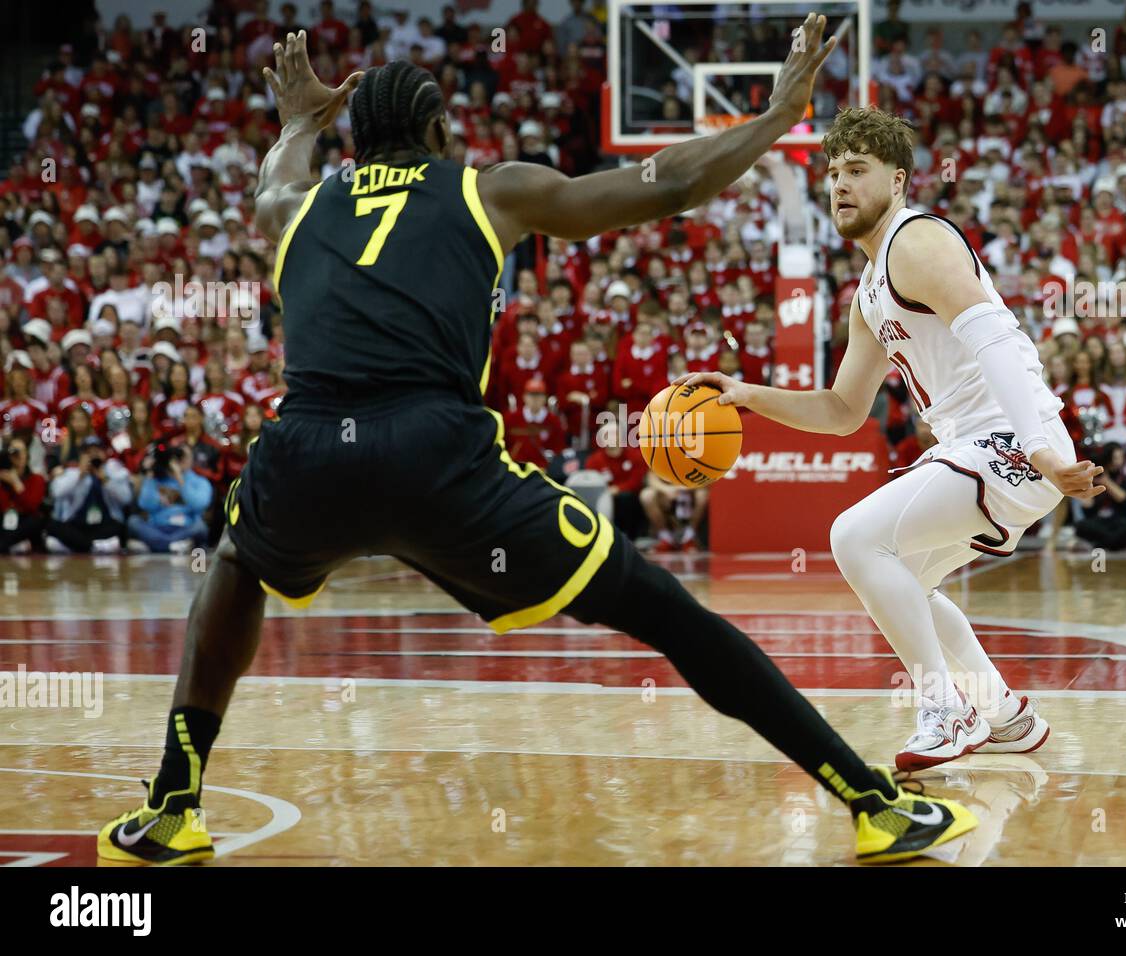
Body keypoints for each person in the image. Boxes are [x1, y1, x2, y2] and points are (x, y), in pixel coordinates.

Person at [99, 22, 976, 866]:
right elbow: (663, 184)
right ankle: (871, 805)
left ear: (354, 147)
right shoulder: (488, 188)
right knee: (668, 614)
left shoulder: (294, 208)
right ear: (442, 133)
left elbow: (273, 178)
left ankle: (175, 805)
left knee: (236, 562)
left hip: (306, 453)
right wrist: (778, 117)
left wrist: (297, 120)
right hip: (438, 463)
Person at [682, 106, 1104, 772]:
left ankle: (944, 707)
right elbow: (843, 408)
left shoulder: (917, 241)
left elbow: (997, 339)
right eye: (833, 173)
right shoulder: (869, 289)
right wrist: (747, 396)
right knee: (907, 582)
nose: (840, 185)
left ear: (899, 179)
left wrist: (1043, 447)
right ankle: (1004, 716)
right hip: (979, 447)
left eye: (858, 170)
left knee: (854, 537)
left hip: (1007, 441)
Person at [45, 435, 134, 553]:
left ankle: (77, 546)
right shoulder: (72, 472)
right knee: (53, 525)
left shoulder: (114, 470)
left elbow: (126, 498)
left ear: (104, 453)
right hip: (77, 525)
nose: (93, 455)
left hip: (104, 524)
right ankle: (94, 546)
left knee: (120, 527)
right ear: (82, 455)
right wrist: (79, 475)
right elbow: (56, 492)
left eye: (97, 451)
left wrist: (106, 480)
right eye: (88, 452)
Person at [127, 442, 213, 554]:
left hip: (185, 527)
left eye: (184, 457)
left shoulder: (200, 481)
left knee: (200, 527)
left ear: (192, 460)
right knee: (133, 522)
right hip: (158, 528)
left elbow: (199, 505)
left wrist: (180, 478)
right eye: (177, 457)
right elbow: (146, 505)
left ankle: (156, 546)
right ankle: (174, 545)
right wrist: (149, 475)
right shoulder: (156, 479)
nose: (180, 460)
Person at [1073, 443, 1126, 551]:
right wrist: (1086, 488)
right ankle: (1114, 544)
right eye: (1114, 458)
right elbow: (1088, 508)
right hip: (1099, 522)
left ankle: (1100, 545)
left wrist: (1106, 482)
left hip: (1120, 522)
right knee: (1081, 526)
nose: (1117, 462)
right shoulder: (1095, 478)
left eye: (1120, 458)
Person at [0, 438, 46, 554]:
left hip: (25, 524)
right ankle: (13, 546)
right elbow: (2, 507)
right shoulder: (2, 477)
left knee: (36, 520)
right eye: (15, 452)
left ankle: (7, 545)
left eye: (22, 452)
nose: (19, 456)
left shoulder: (37, 479)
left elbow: (31, 507)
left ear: (27, 455)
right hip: (6, 523)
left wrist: (16, 483)